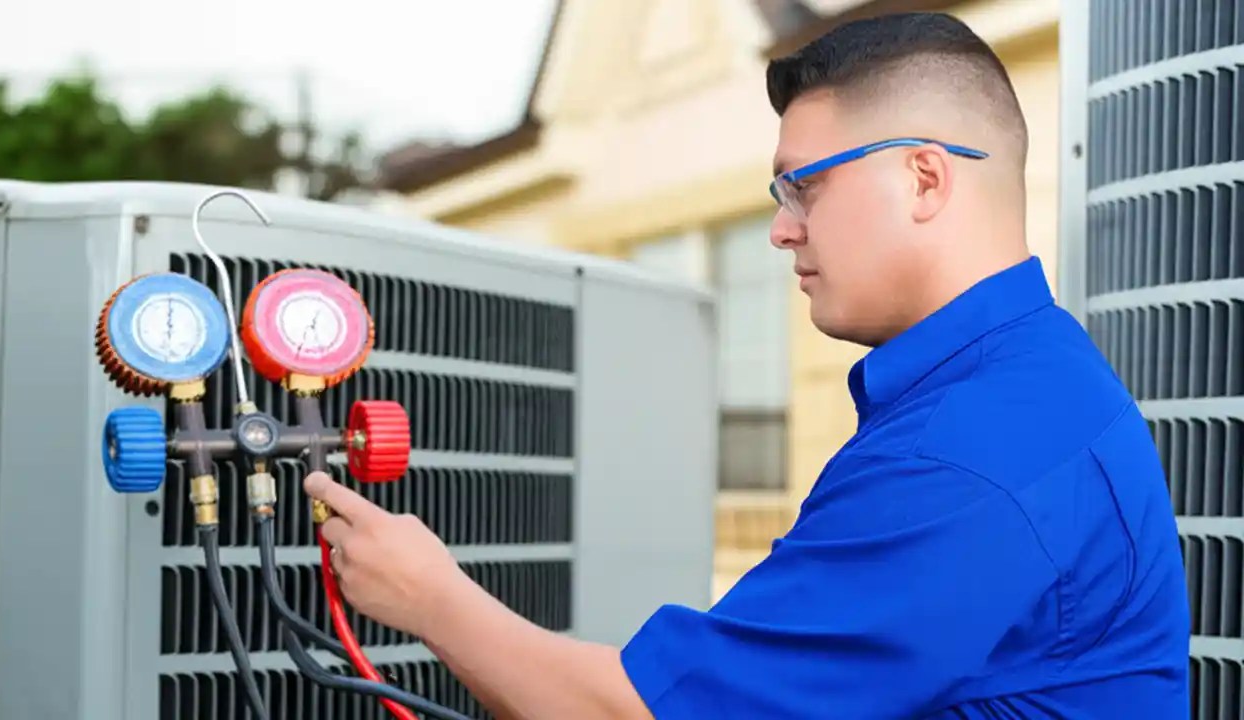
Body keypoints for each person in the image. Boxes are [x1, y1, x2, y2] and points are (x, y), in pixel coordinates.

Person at [303, 11, 1191, 719]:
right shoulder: (1027, 380)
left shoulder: (969, 451)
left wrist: (427, 595)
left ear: (926, 179)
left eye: (805, 185)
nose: (780, 227)